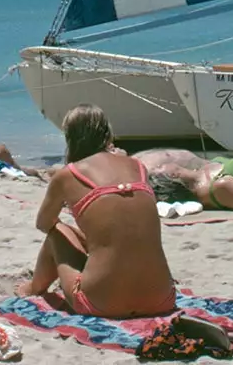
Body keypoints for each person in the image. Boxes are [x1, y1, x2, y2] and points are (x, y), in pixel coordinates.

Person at [17, 105, 175, 317]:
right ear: (108, 134)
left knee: (57, 232)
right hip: (162, 299)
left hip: (103, 304)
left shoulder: (68, 175)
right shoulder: (137, 167)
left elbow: (44, 224)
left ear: (70, 138)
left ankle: (34, 287)